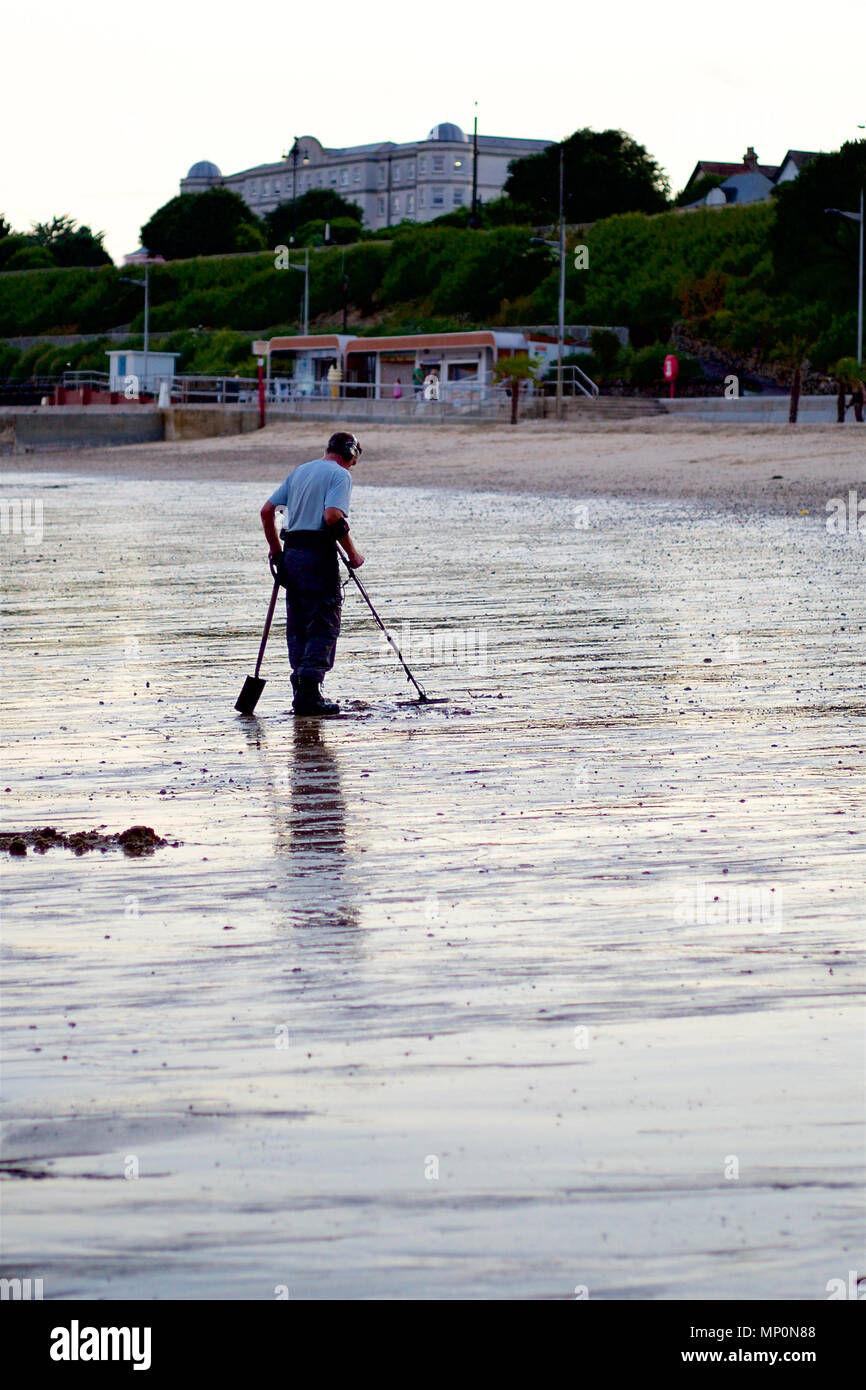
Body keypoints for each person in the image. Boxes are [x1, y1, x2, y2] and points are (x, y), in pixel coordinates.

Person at [260, 432, 365, 717]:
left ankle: (301, 686)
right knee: (323, 621)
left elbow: (266, 511)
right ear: (350, 452)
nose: (353, 465)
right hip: (318, 555)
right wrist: (353, 555)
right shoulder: (340, 476)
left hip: (291, 555)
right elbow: (332, 516)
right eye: (354, 459)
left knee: (299, 621)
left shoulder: (300, 471)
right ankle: (309, 690)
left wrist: (276, 551)